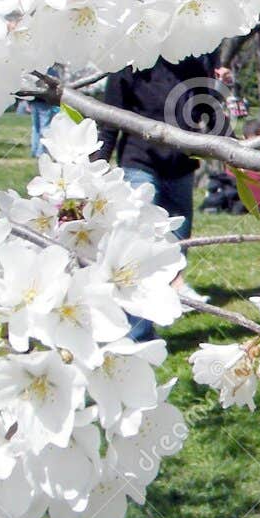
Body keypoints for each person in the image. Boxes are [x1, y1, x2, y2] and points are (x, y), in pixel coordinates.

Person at [95, 54, 225, 339]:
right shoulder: (128, 62)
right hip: (140, 163)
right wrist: (95, 169)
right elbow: (109, 119)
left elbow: (209, 111)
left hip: (180, 166)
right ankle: (136, 335)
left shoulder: (192, 60)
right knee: (140, 249)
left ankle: (163, 307)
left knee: (174, 249)